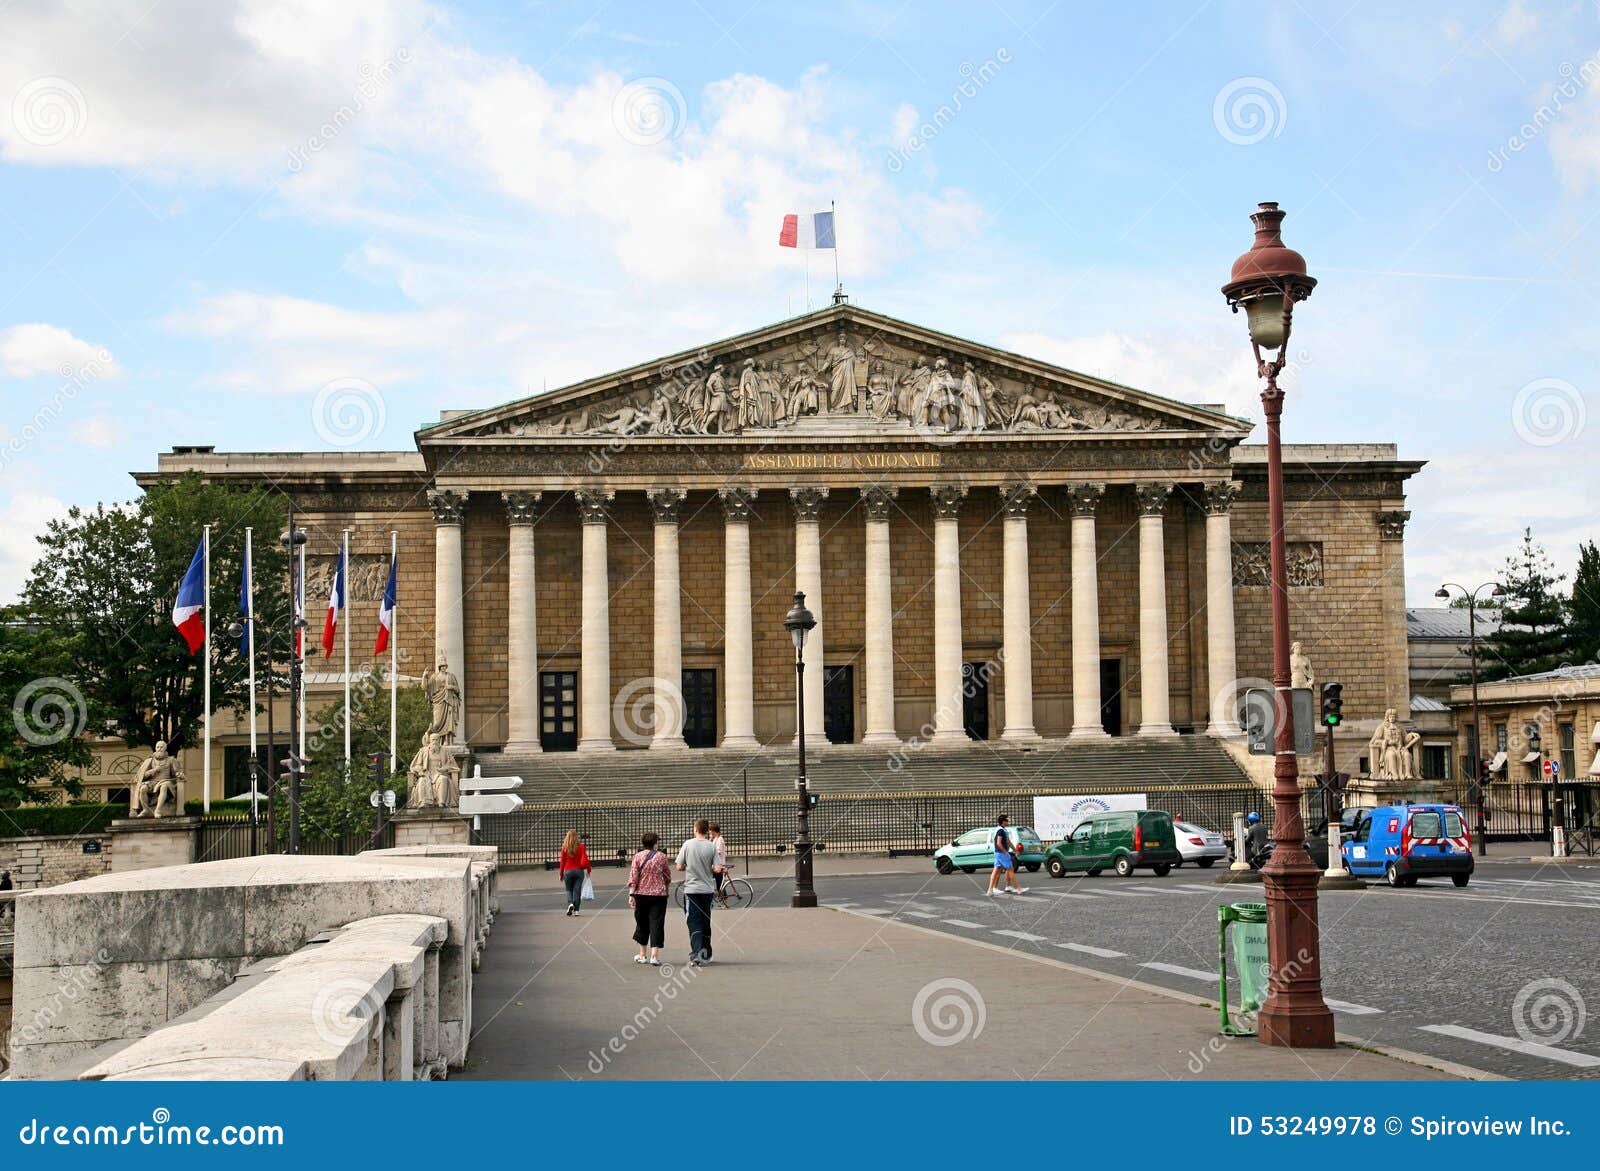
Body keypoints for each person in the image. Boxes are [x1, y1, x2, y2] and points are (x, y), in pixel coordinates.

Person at [675, 819, 719, 965]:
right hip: (707, 890)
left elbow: (679, 866)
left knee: (694, 921)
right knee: (706, 921)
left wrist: (689, 866)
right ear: (707, 830)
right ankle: (707, 953)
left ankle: (697, 954)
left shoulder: (687, 844)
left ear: (695, 829)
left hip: (692, 889)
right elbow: (717, 868)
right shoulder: (711, 846)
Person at [628, 832, 672, 966]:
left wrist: (631, 894)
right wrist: (665, 886)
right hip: (659, 895)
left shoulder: (638, 856)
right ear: (654, 843)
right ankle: (654, 955)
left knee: (642, 923)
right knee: (657, 923)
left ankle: (642, 954)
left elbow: (633, 877)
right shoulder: (662, 857)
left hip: (641, 894)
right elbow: (667, 876)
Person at [985, 813, 1028, 896]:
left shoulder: (1002, 830)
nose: (1008, 821)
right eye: (1007, 820)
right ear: (1003, 821)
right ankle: (1018, 888)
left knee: (996, 871)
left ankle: (991, 890)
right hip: (1001, 853)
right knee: (1010, 869)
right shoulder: (1000, 831)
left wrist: (1015, 851)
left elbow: (1008, 841)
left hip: (998, 853)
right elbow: (998, 843)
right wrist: (1005, 852)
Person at [559, 829, 591, 916]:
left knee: (569, 889)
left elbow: (562, 862)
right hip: (579, 871)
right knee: (577, 891)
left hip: (568, 871)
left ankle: (570, 904)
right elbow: (585, 859)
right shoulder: (581, 846)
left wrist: (561, 874)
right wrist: (588, 870)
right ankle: (576, 910)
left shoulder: (565, 847)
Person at [708, 821, 728, 894]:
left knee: (719, 884)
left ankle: (725, 902)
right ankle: (723, 900)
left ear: (713, 831)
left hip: (719, 865)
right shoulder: (715, 839)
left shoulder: (720, 839)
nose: (709, 832)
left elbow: (718, 852)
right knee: (719, 883)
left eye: (710, 830)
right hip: (716, 865)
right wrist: (710, 840)